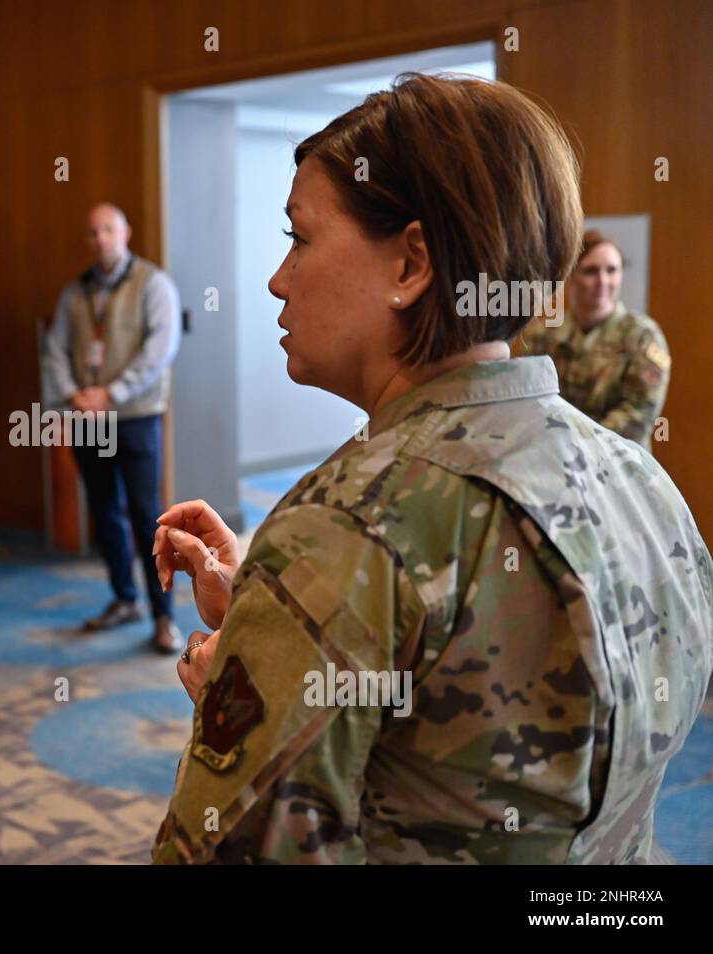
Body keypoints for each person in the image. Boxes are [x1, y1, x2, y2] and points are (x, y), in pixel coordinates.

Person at [151, 74, 711, 864]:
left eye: (299, 238)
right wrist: (269, 611)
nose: (279, 279)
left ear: (410, 264)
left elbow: (223, 851)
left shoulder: (347, 524)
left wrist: (232, 690)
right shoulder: (642, 481)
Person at [43, 203, 184, 654]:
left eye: (107, 229)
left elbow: (160, 348)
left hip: (136, 416)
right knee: (104, 513)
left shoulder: (153, 283)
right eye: (92, 232)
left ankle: (165, 617)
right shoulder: (76, 292)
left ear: (125, 232)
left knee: (148, 518)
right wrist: (74, 394)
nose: (100, 238)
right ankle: (125, 599)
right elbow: (56, 349)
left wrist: (113, 392)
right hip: (88, 418)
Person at [520, 230, 671, 451]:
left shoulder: (643, 337)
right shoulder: (542, 335)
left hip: (619, 462)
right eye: (591, 271)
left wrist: (581, 444)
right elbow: (528, 400)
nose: (603, 281)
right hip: (554, 458)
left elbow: (638, 413)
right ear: (570, 276)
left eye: (612, 270)